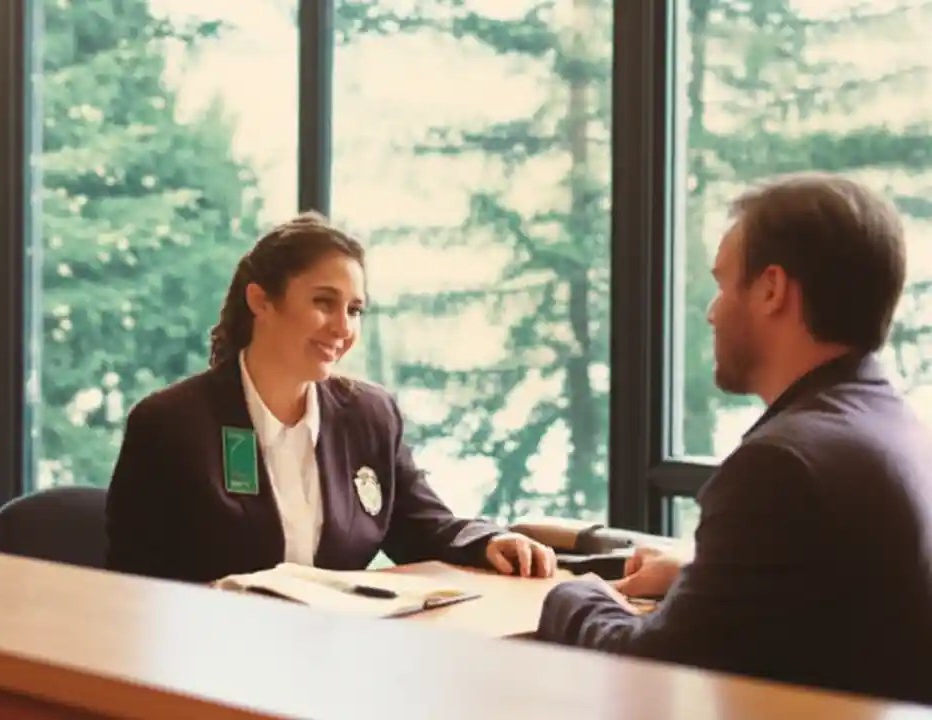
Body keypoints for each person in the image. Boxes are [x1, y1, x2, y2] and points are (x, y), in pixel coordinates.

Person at [536, 173, 932, 704]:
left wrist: (576, 596)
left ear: (771, 289)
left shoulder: (781, 465)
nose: (711, 312)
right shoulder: (895, 431)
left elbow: (655, 672)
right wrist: (700, 581)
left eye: (722, 284)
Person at [105, 212, 556, 584]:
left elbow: (421, 527)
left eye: (355, 310)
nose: (343, 328)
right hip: (207, 663)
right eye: (325, 302)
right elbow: (131, 586)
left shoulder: (369, 415)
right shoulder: (170, 424)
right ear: (261, 301)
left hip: (337, 656)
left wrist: (489, 541)